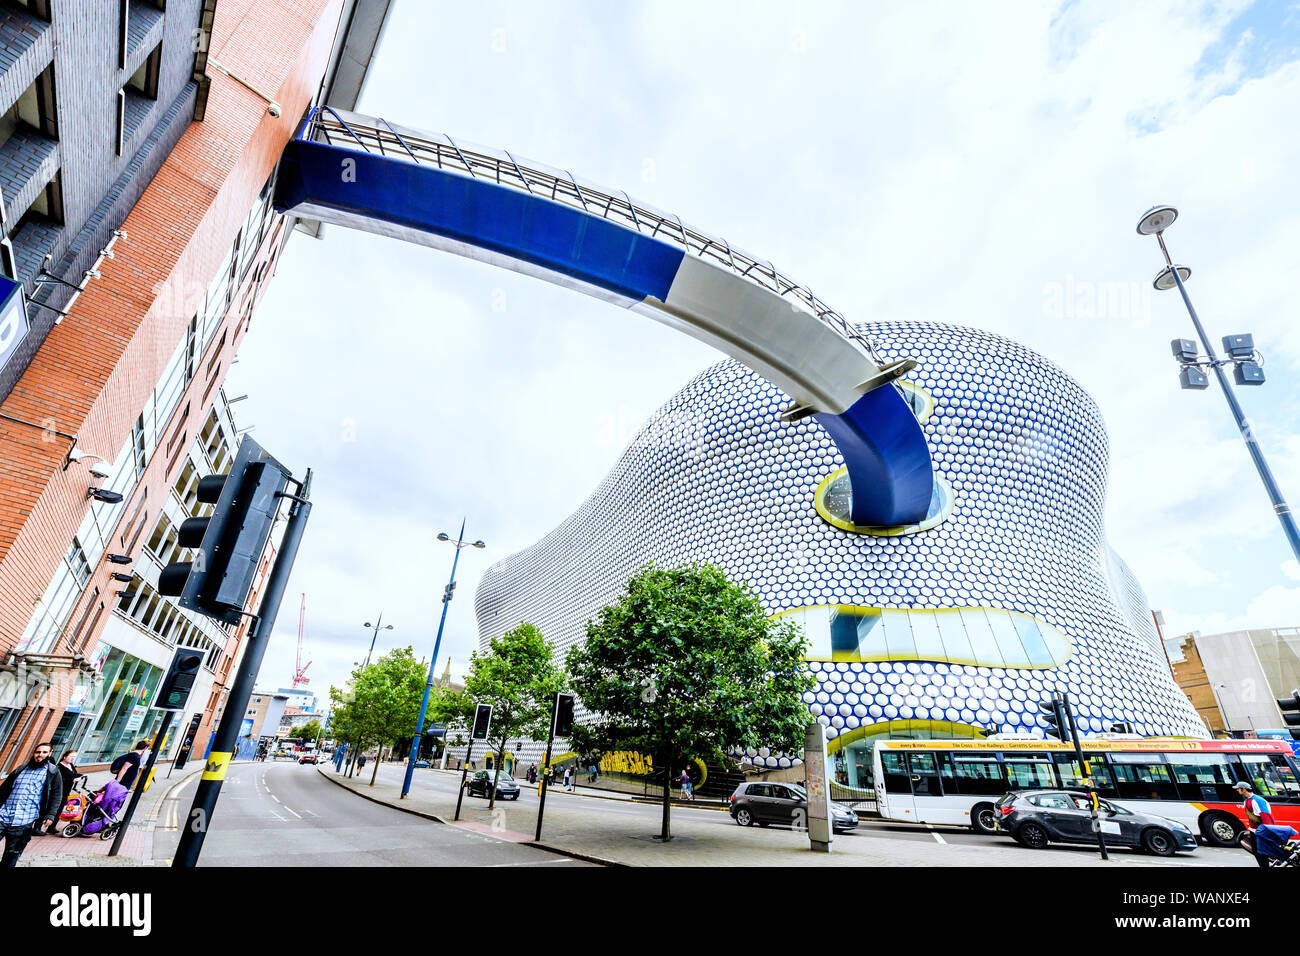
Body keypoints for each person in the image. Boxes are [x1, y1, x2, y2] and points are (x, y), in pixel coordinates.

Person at [0, 741, 62, 867]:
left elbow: (57, 795)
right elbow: (4, 789)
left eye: (44, 752)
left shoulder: (53, 772)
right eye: (38, 752)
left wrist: (50, 814)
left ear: (50, 754)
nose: (40, 755)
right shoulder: (21, 769)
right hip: (3, 815)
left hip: (24, 821)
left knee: (11, 856)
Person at [45, 750, 83, 834]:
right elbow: (62, 778)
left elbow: (73, 774)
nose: (72, 759)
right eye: (71, 756)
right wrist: (73, 779)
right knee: (56, 807)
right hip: (60, 789)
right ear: (65, 757)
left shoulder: (70, 765)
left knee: (61, 808)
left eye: (74, 757)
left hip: (67, 790)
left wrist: (81, 775)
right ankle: (47, 824)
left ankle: (52, 826)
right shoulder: (59, 767)